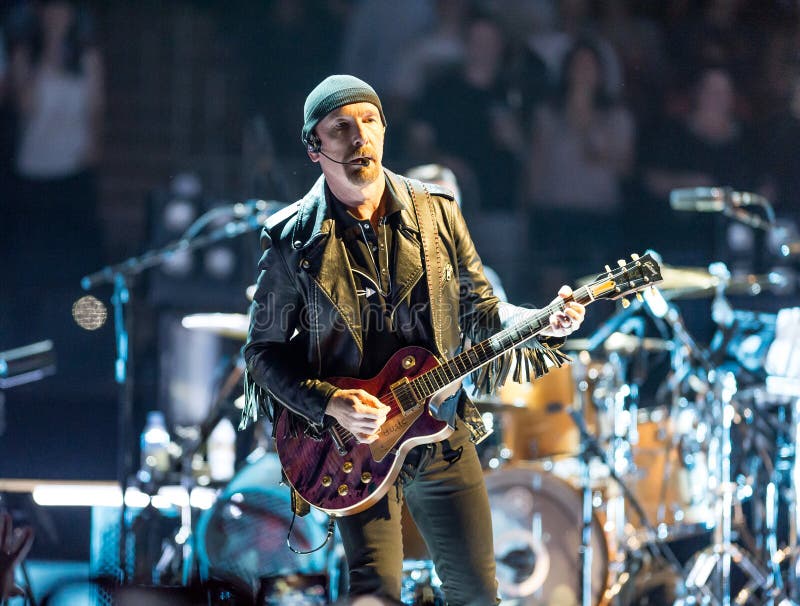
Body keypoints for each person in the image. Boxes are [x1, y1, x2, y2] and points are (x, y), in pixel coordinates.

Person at [242, 74, 585, 605]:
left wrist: (542, 318)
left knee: (476, 594)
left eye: (370, 121)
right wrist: (330, 402)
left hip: (438, 427)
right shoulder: (292, 239)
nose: (360, 138)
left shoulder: (437, 211)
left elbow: (484, 310)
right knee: (375, 592)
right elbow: (260, 353)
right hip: (353, 446)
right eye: (341, 128)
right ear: (315, 148)